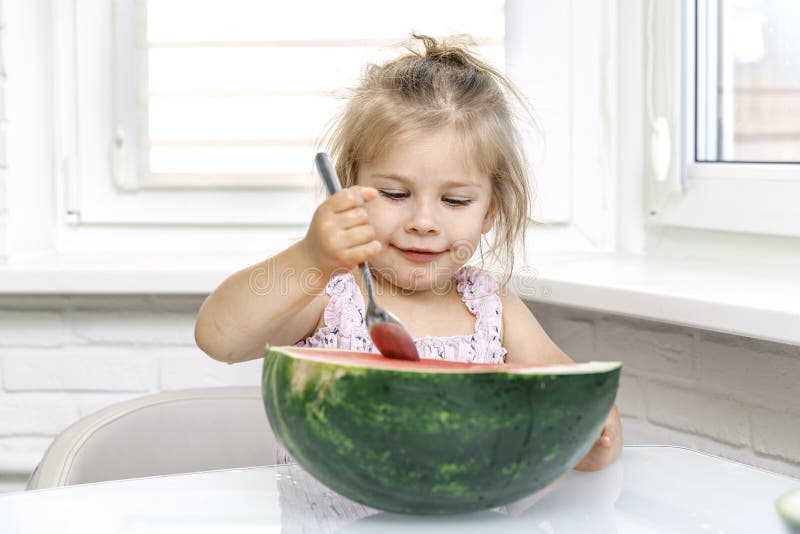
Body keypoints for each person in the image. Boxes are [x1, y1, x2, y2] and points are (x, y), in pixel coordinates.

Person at [195, 34, 621, 472]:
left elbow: (575, 395)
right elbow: (218, 338)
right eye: (395, 193)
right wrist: (310, 258)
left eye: (454, 201)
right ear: (348, 189)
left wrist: (593, 435)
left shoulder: (492, 307)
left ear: (490, 210)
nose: (423, 221)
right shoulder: (330, 295)